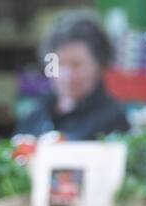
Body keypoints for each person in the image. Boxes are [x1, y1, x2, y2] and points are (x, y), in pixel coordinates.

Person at [16, 10, 129, 141]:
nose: (67, 75)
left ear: (100, 66)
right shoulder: (36, 113)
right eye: (59, 64)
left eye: (76, 65)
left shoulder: (113, 119)